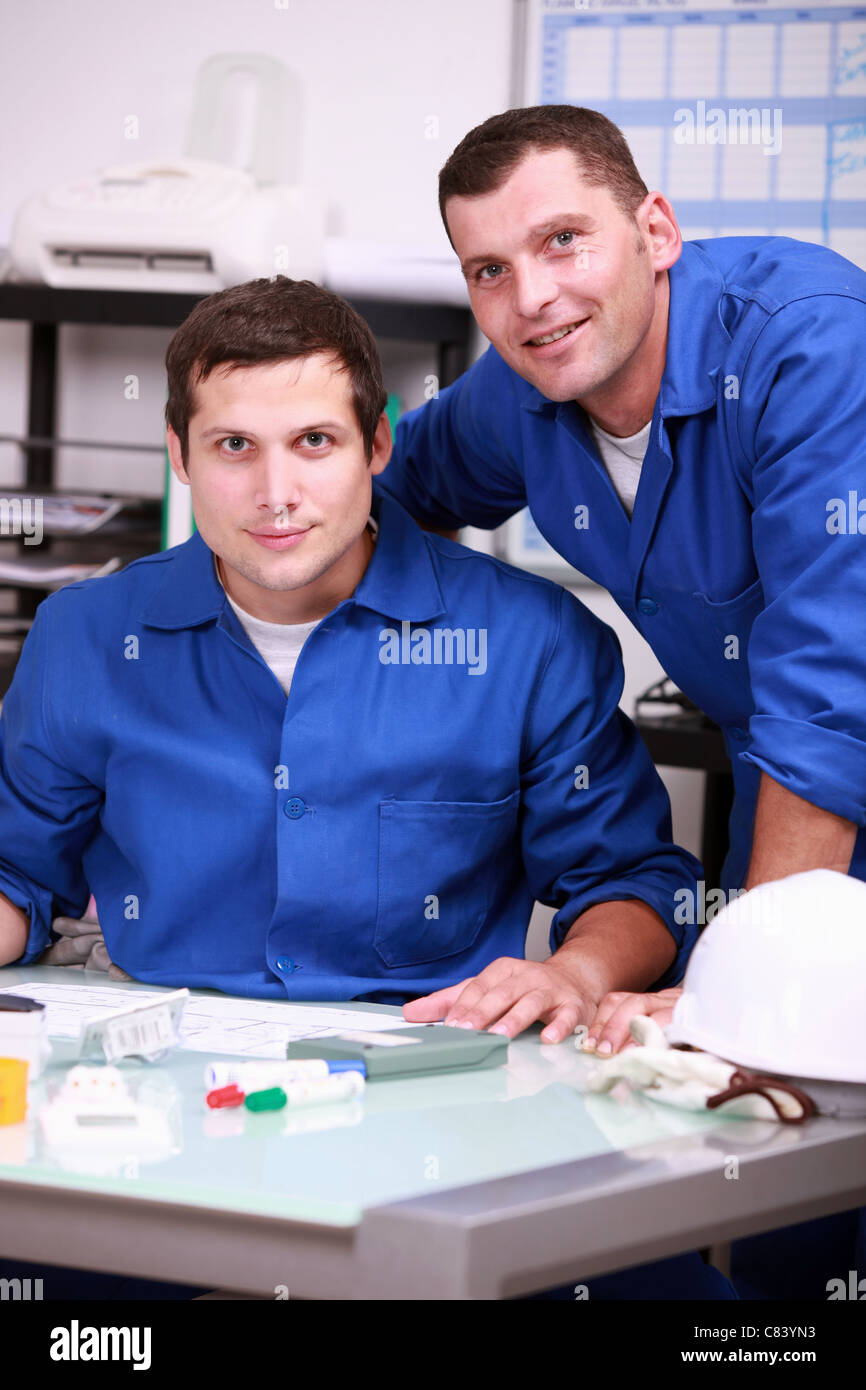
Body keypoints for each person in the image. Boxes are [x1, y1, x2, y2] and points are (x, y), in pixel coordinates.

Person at [0, 274, 735, 1300]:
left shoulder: (524, 641)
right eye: (231, 447)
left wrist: (568, 978)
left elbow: (637, 882)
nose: (274, 494)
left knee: (692, 1312)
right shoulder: (87, 636)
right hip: (155, 1105)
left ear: (377, 445)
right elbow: (15, 875)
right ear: (176, 454)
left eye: (313, 442)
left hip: (440, 1104)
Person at [374, 102, 866, 1296]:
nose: (529, 297)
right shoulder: (520, 394)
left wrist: (739, 997)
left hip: (821, 756)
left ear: (654, 229)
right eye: (487, 269)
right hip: (785, 784)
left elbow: (827, 683)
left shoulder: (808, 342)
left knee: (792, 1098)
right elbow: (383, 497)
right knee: (771, 1175)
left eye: (561, 242)